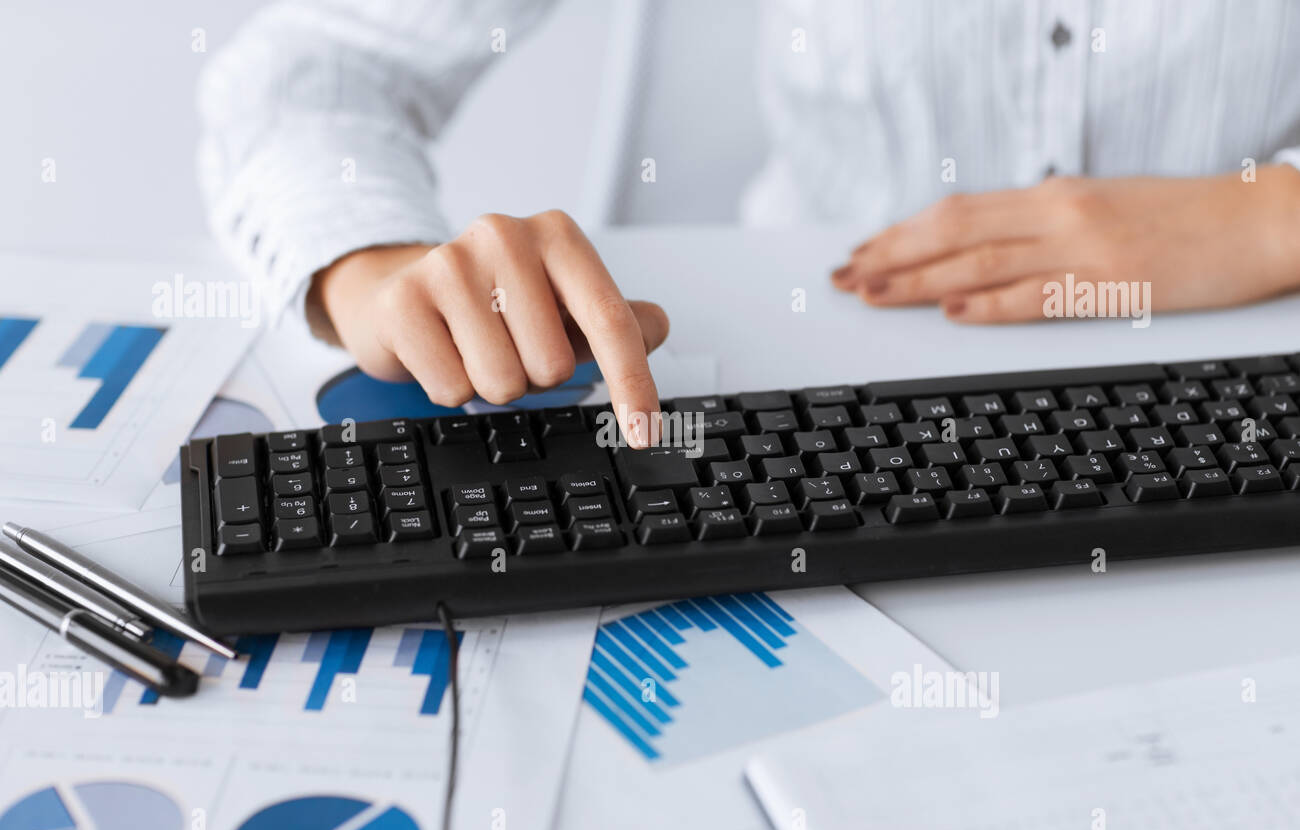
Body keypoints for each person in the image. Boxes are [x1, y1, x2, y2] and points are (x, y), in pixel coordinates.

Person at [198, 0, 1300, 447]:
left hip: (1255, 366)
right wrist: (370, 263)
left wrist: (1274, 216)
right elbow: (313, 68)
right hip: (810, 382)